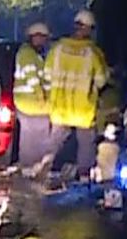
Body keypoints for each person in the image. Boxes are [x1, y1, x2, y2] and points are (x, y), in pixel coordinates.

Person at [43, 10, 110, 185]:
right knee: (86, 143)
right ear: (88, 29)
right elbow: (102, 80)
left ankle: (49, 170)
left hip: (59, 106)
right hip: (83, 109)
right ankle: (84, 176)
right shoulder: (92, 52)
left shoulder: (57, 49)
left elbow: (47, 75)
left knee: (55, 141)